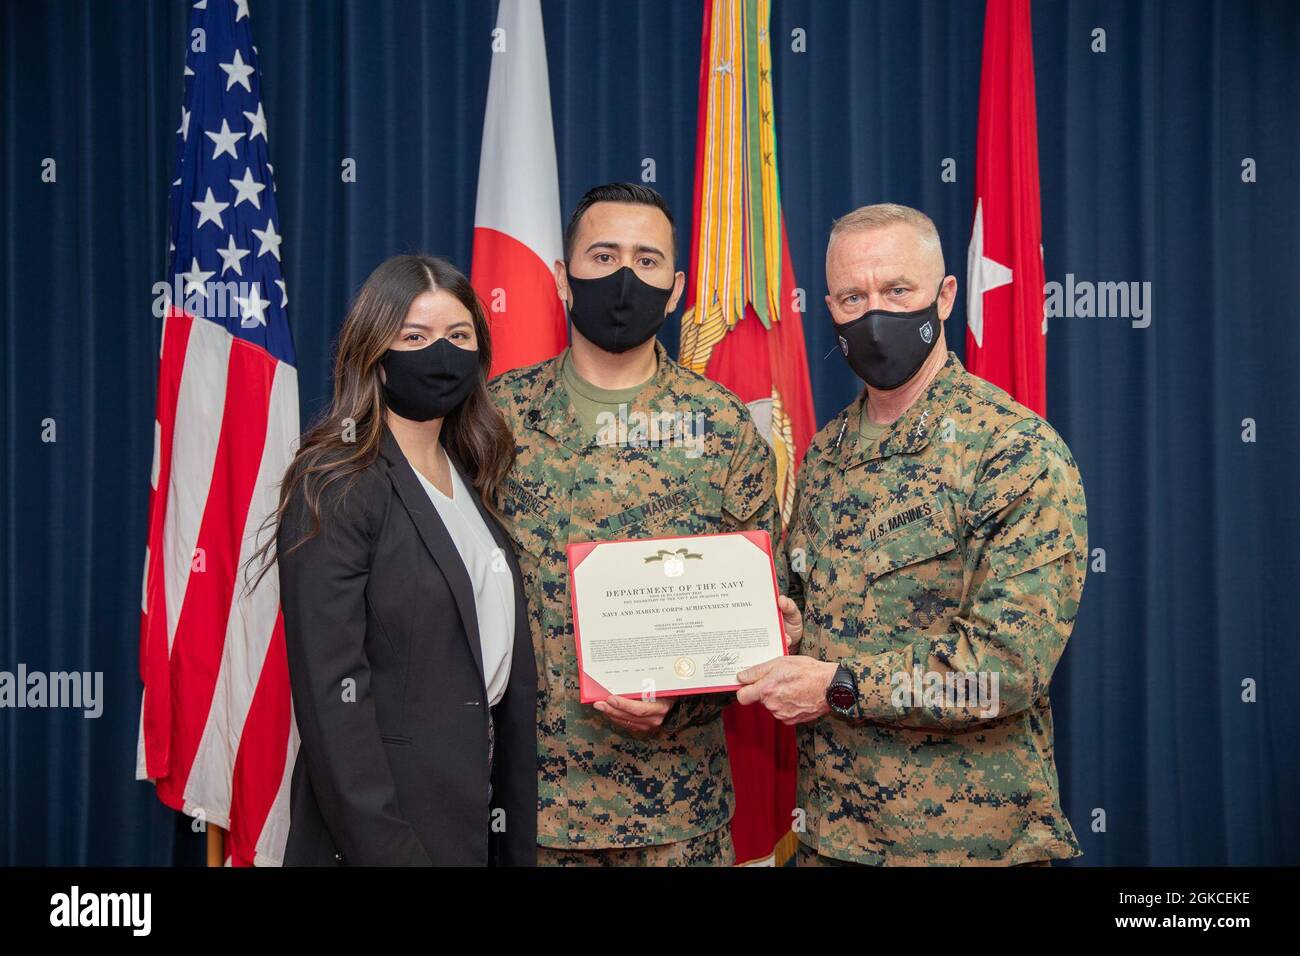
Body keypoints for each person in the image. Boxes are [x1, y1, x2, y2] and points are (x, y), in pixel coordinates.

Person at [737, 203, 1087, 866]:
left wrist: (838, 684)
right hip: (831, 838)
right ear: (831, 308)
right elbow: (820, 617)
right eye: (852, 296)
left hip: (966, 849)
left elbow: (1003, 672)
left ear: (945, 294)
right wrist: (783, 623)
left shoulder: (1010, 451)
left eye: (898, 290)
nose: (875, 314)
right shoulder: (826, 454)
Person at [488, 182, 795, 866]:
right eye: (603, 255)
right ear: (564, 280)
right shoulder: (494, 420)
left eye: (647, 260)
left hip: (676, 817)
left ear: (677, 286)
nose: (625, 276)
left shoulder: (722, 427)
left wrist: (680, 700)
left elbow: (759, 614)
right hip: (528, 811)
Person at [268, 254, 537, 865]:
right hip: (387, 832)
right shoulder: (335, 480)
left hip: (476, 815)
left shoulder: (472, 474)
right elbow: (332, 694)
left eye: (458, 336)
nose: (440, 353)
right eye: (414, 337)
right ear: (375, 356)